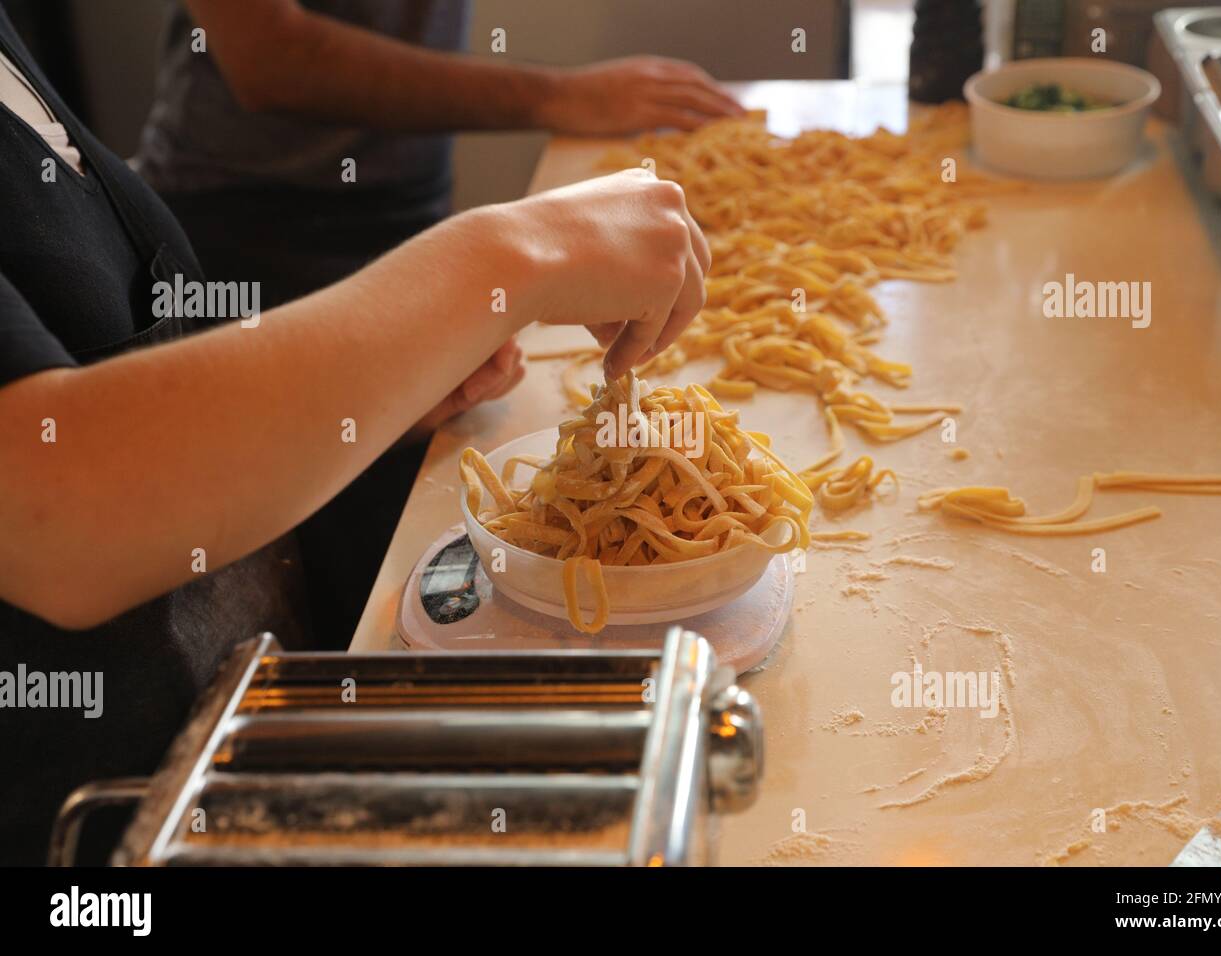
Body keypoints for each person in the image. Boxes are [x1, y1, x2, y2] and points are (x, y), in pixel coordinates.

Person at [0, 4, 710, 865]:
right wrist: (512, 253)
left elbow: (113, 382)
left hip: (232, 748)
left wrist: (386, 396)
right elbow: (56, 506)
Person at [134, 0, 743, 647]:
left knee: (391, 553)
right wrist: (552, 117)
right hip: (250, 229)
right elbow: (270, 57)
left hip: (407, 204)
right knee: (318, 593)